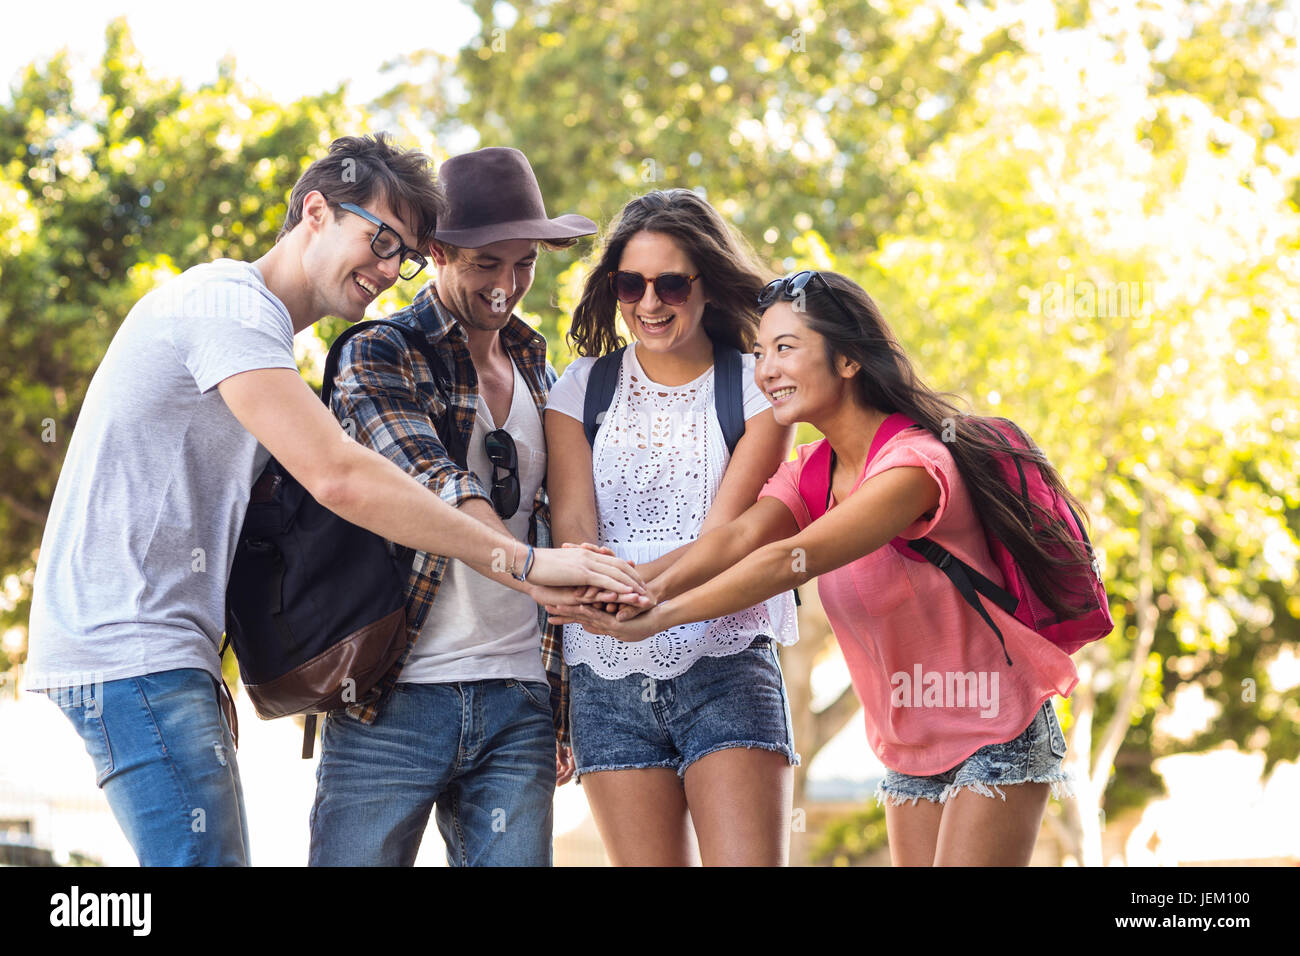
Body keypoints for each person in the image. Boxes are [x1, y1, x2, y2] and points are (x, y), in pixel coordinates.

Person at [24, 134, 645, 867]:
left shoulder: (264, 343)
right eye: (379, 238)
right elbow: (340, 476)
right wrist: (524, 561)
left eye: (401, 253)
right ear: (314, 210)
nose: (387, 269)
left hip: (168, 651)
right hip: (128, 648)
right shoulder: (228, 307)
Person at [550, 270, 1083, 866]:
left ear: (849, 359)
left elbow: (784, 560)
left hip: (997, 726)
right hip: (910, 743)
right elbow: (737, 538)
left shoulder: (913, 466)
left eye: (785, 349)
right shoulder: (812, 470)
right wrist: (630, 588)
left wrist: (660, 617)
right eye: (759, 353)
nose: (766, 371)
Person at [308, 147, 602, 867]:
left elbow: (568, 515)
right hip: (392, 700)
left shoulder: (541, 369)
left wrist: (559, 705)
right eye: (486, 265)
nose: (508, 286)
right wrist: (532, 567)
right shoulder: (378, 353)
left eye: (524, 263)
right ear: (437, 252)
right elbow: (434, 479)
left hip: (519, 701)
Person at [544, 189, 799, 866]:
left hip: (725, 663)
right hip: (605, 676)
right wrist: (601, 587)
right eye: (631, 283)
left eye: (670, 284)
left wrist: (642, 598)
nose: (649, 304)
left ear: (707, 285)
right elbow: (574, 529)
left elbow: (727, 538)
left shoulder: (755, 387)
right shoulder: (579, 389)